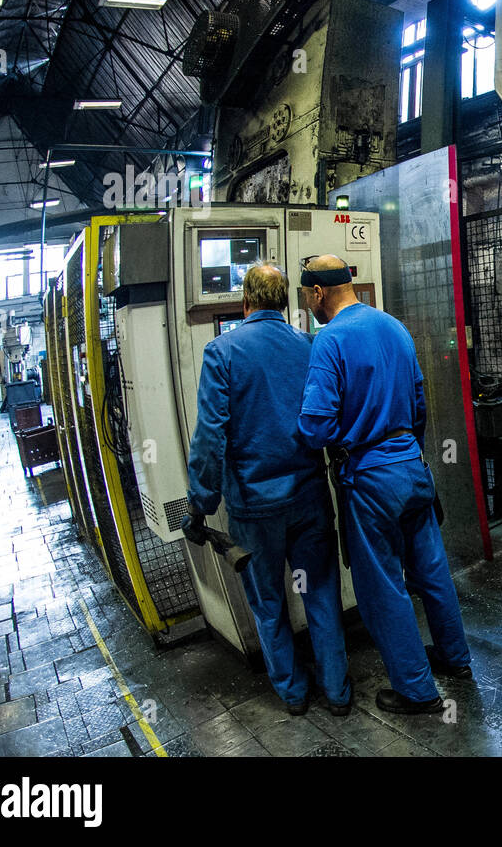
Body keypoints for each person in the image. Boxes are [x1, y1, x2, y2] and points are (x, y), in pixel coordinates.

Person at [297, 254, 473, 715]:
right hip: (413, 468)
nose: (307, 303)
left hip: (370, 479)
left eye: (306, 295)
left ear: (317, 292)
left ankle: (417, 691)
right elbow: (419, 404)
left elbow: (315, 427)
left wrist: (348, 437)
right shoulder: (395, 327)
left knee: (384, 588)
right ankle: (456, 659)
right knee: (433, 572)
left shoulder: (328, 340)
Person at [184, 263, 351, 717]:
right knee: (320, 593)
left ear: (246, 303)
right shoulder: (310, 344)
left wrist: (201, 505)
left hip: (254, 507)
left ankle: (293, 694)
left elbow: (210, 436)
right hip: (310, 497)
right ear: (284, 302)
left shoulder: (222, 352)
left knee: (269, 604)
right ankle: (337, 691)